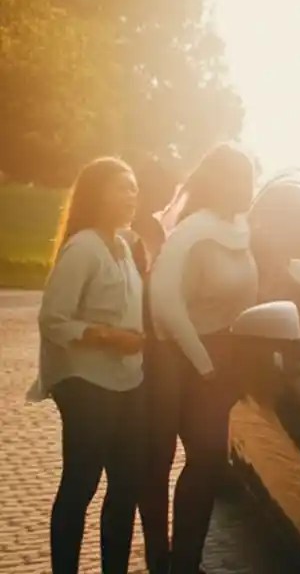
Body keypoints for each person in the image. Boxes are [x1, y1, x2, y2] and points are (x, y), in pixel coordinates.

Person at [139, 143, 259, 574]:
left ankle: (186, 560)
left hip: (220, 354)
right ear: (218, 182)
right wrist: (203, 363)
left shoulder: (241, 227)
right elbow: (166, 306)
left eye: (251, 176)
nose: (248, 186)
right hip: (176, 355)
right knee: (161, 459)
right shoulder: (192, 232)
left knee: (208, 459)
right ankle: (160, 558)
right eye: (240, 178)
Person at [31, 157, 147, 574]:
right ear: (96, 193)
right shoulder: (83, 247)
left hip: (128, 380)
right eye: (122, 187)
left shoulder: (124, 245)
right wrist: (108, 337)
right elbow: (53, 319)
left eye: (134, 187)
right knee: (81, 484)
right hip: (86, 383)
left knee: (125, 485)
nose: (132, 195)